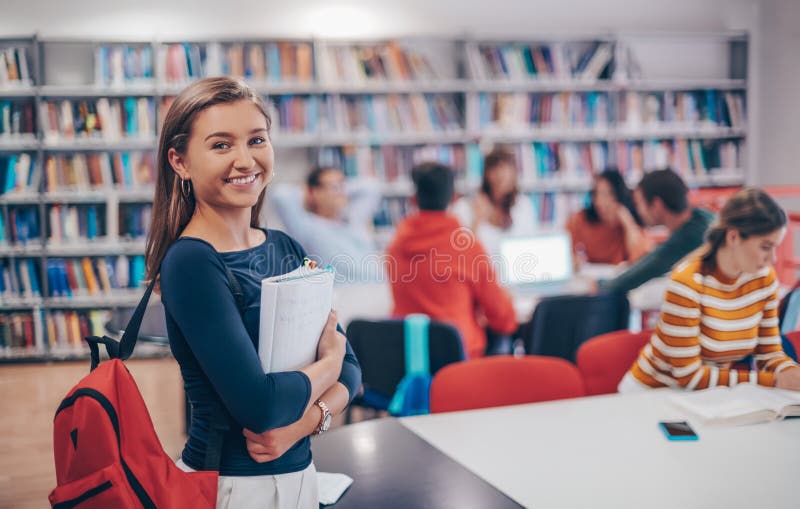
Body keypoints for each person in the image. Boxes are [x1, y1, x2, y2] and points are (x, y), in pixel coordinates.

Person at [144, 77, 361, 508]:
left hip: (301, 477)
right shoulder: (190, 262)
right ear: (180, 161)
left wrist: (302, 426)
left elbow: (354, 374)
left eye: (256, 139)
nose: (245, 160)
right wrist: (329, 363)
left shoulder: (285, 247)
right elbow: (260, 405)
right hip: (229, 488)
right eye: (221, 145)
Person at [619, 188, 800, 392]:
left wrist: (790, 373)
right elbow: (689, 377)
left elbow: (770, 353)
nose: (773, 259)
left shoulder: (764, 279)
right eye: (765, 247)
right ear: (733, 237)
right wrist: (772, 381)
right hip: (654, 393)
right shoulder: (687, 283)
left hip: (706, 396)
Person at [386, 161, 518, 359]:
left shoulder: (396, 245)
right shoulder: (466, 246)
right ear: (454, 198)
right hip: (460, 356)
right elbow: (502, 319)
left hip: (410, 354)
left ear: (413, 199)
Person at [599, 168, 715, 293]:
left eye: (639, 203)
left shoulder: (691, 235)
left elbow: (647, 268)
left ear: (656, 205)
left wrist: (601, 285)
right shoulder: (700, 218)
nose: (638, 211)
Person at [271, 166, 382, 283]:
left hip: (378, 288)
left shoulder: (353, 218)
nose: (341, 192)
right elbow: (280, 195)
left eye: (342, 185)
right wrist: (309, 192)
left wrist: (339, 187)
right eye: (333, 187)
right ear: (313, 192)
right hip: (345, 295)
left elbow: (372, 187)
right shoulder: (307, 227)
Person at [452, 148, 536, 255]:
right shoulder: (465, 207)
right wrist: (477, 220)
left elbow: (531, 247)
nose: (502, 175)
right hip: (480, 269)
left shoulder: (524, 205)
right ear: (486, 174)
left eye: (507, 169)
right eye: (496, 169)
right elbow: (459, 252)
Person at [566, 169, 649, 265]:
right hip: (592, 276)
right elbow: (564, 248)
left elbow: (639, 257)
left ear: (619, 196)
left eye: (607, 194)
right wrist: (574, 259)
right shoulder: (582, 218)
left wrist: (627, 222)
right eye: (597, 194)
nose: (600, 201)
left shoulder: (631, 218)